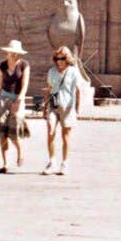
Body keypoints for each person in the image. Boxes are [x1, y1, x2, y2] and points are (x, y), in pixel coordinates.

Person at [0, 39, 31, 172]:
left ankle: (20, 150)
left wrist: (19, 100)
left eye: (14, 52)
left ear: (18, 54)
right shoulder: (3, 66)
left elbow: (25, 85)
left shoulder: (24, 65)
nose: (11, 54)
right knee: (2, 132)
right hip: (3, 98)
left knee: (13, 129)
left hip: (17, 98)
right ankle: (5, 163)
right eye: (10, 52)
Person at [43, 47, 84, 175]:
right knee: (50, 132)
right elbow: (48, 89)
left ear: (67, 59)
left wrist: (77, 108)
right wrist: (45, 106)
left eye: (62, 58)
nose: (59, 61)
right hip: (53, 106)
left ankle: (64, 163)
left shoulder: (73, 71)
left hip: (67, 107)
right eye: (57, 58)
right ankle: (52, 162)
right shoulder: (52, 71)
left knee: (65, 136)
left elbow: (78, 90)